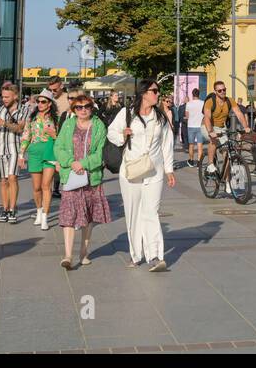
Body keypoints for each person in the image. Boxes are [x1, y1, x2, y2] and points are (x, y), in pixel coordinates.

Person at [105, 80, 177, 270]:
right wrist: (123, 134)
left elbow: (167, 144)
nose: (157, 94)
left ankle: (155, 256)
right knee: (133, 213)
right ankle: (136, 255)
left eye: (158, 91)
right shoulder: (127, 114)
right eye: (154, 91)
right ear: (143, 93)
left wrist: (169, 170)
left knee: (151, 212)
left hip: (154, 170)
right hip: (131, 170)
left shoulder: (160, 118)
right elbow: (111, 132)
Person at [55, 93, 111, 268]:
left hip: (90, 176)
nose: (83, 110)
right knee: (69, 215)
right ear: (74, 109)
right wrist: (71, 162)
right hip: (70, 175)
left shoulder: (99, 126)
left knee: (87, 216)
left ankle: (83, 253)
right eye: (79, 107)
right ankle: (68, 255)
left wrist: (84, 163)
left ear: (91, 107)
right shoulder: (68, 124)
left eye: (87, 106)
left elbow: (101, 152)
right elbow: (59, 147)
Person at [22, 90, 60, 229]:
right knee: (36, 188)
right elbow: (26, 136)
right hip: (34, 153)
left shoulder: (56, 118)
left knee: (46, 186)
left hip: (50, 152)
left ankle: (45, 216)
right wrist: (21, 155)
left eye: (43, 101)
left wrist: (54, 134)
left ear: (49, 104)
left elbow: (61, 139)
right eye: (38, 101)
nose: (40, 104)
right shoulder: (31, 117)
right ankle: (39, 211)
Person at [0, 82, 26, 224]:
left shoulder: (23, 109)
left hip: (15, 148)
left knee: (12, 178)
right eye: (3, 96)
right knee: (3, 180)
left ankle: (12, 209)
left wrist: (4, 123)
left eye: (7, 97)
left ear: (15, 96)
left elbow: (20, 128)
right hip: (0, 148)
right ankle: (4, 209)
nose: (4, 99)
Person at [202, 82, 247, 176]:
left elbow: (239, 113)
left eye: (224, 89)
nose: (222, 92)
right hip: (207, 126)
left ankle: (226, 181)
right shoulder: (210, 101)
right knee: (213, 139)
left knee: (227, 154)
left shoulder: (230, 101)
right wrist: (210, 131)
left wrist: (246, 127)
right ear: (215, 92)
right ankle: (210, 164)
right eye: (219, 90)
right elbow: (207, 117)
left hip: (222, 128)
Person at [184, 88, 205, 168]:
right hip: (200, 126)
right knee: (200, 145)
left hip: (191, 126)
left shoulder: (188, 104)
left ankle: (191, 161)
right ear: (199, 94)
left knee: (191, 145)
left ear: (192, 95)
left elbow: (187, 116)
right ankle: (199, 163)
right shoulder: (203, 103)